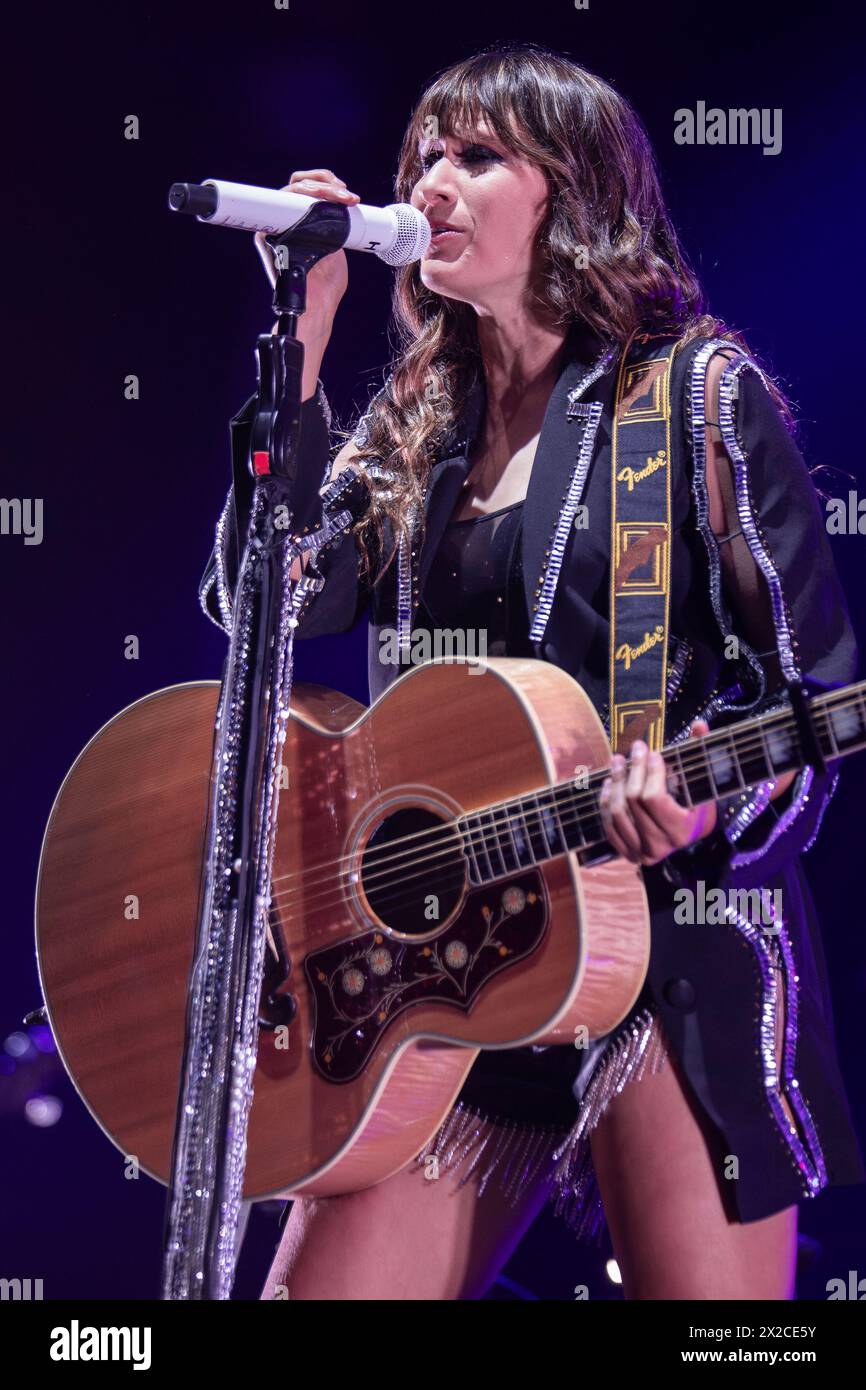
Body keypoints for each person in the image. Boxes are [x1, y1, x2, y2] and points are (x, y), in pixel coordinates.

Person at [199, 42, 865, 1300]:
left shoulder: (694, 396)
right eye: (423, 158)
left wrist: (705, 808)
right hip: (446, 970)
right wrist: (303, 336)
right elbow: (255, 609)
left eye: (477, 156)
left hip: (664, 955)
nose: (432, 182)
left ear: (574, 190)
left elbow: (809, 697)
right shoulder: (411, 425)